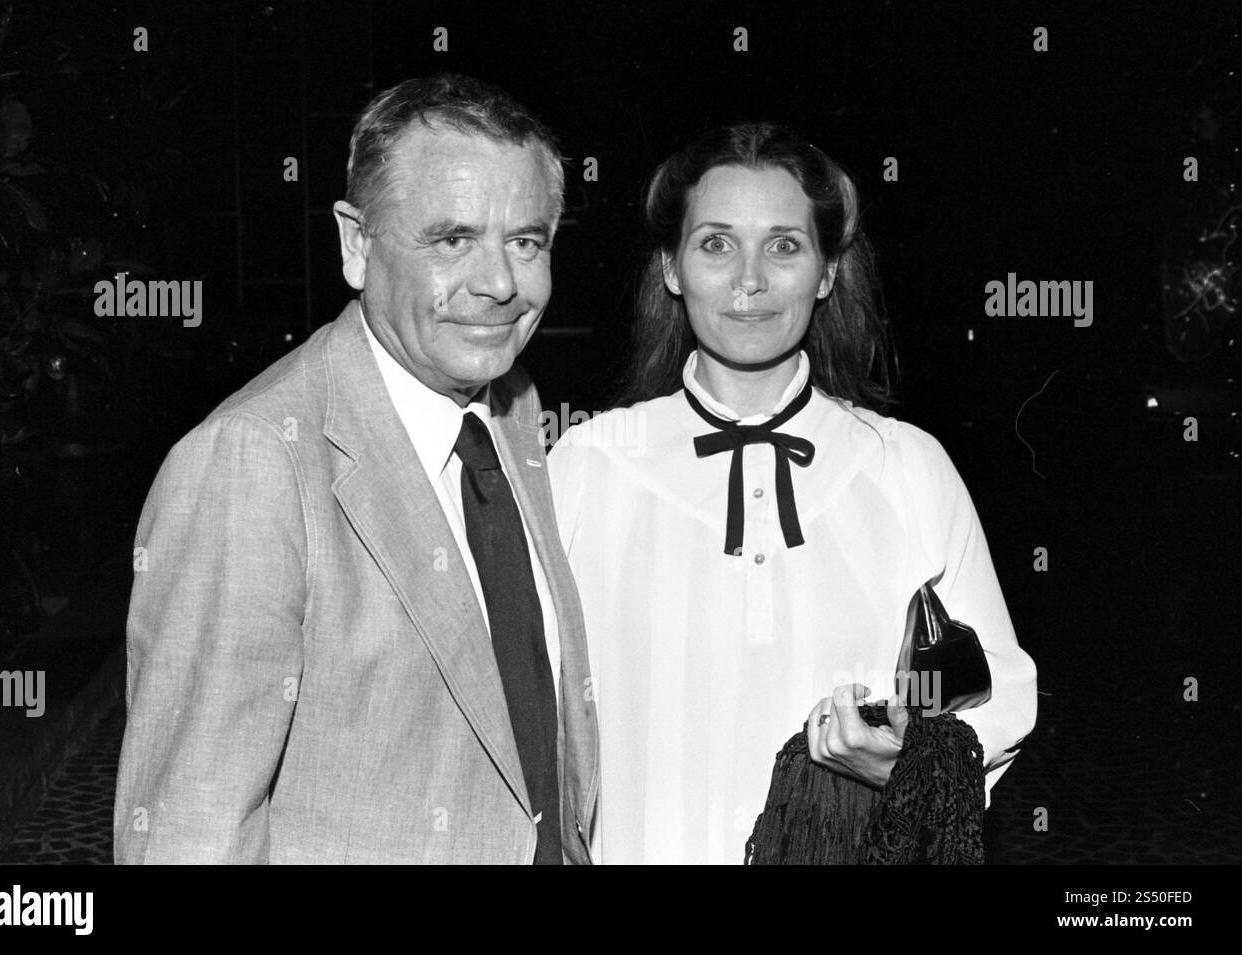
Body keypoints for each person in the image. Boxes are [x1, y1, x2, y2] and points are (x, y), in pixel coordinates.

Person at [114, 74, 598, 864]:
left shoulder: (510, 406)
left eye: (527, 240)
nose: (501, 284)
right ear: (356, 243)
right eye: (452, 239)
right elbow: (189, 831)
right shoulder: (254, 461)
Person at [547, 122, 1037, 864]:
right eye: (715, 243)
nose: (750, 279)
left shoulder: (906, 465)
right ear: (672, 268)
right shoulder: (588, 463)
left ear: (828, 271)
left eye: (784, 245)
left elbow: (1002, 690)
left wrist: (907, 758)